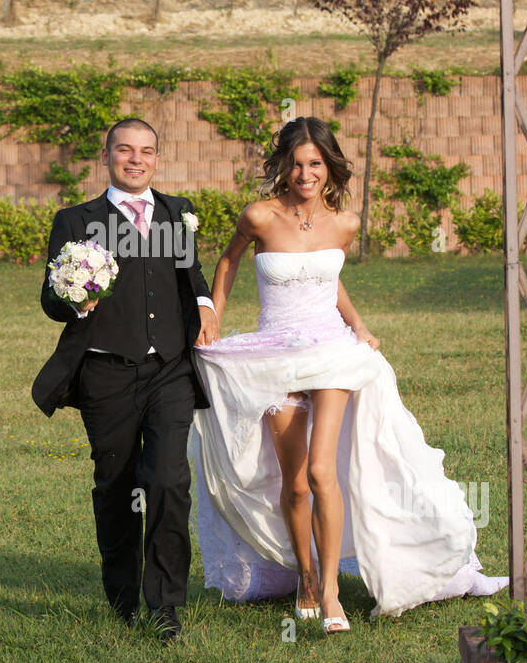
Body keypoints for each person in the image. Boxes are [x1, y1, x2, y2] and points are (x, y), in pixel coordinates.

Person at [191, 115, 507, 630]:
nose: (304, 173)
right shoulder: (260, 216)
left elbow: (327, 280)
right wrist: (213, 314)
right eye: (295, 163)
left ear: (329, 167)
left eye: (314, 163)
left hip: (332, 354)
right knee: (294, 484)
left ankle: (333, 591)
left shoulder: (346, 222)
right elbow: (226, 264)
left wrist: (358, 324)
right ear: (282, 167)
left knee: (322, 471)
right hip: (273, 356)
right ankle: (307, 578)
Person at [32, 118, 218, 639]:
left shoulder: (178, 212)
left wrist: (203, 301)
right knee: (116, 486)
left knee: (166, 478)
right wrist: (73, 299)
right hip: (105, 373)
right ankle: (122, 598)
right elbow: (49, 298)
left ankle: (166, 607)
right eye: (125, 150)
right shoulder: (75, 219)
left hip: (170, 371)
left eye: (146, 152)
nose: (136, 160)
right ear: (108, 155)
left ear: (157, 158)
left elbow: (191, 270)